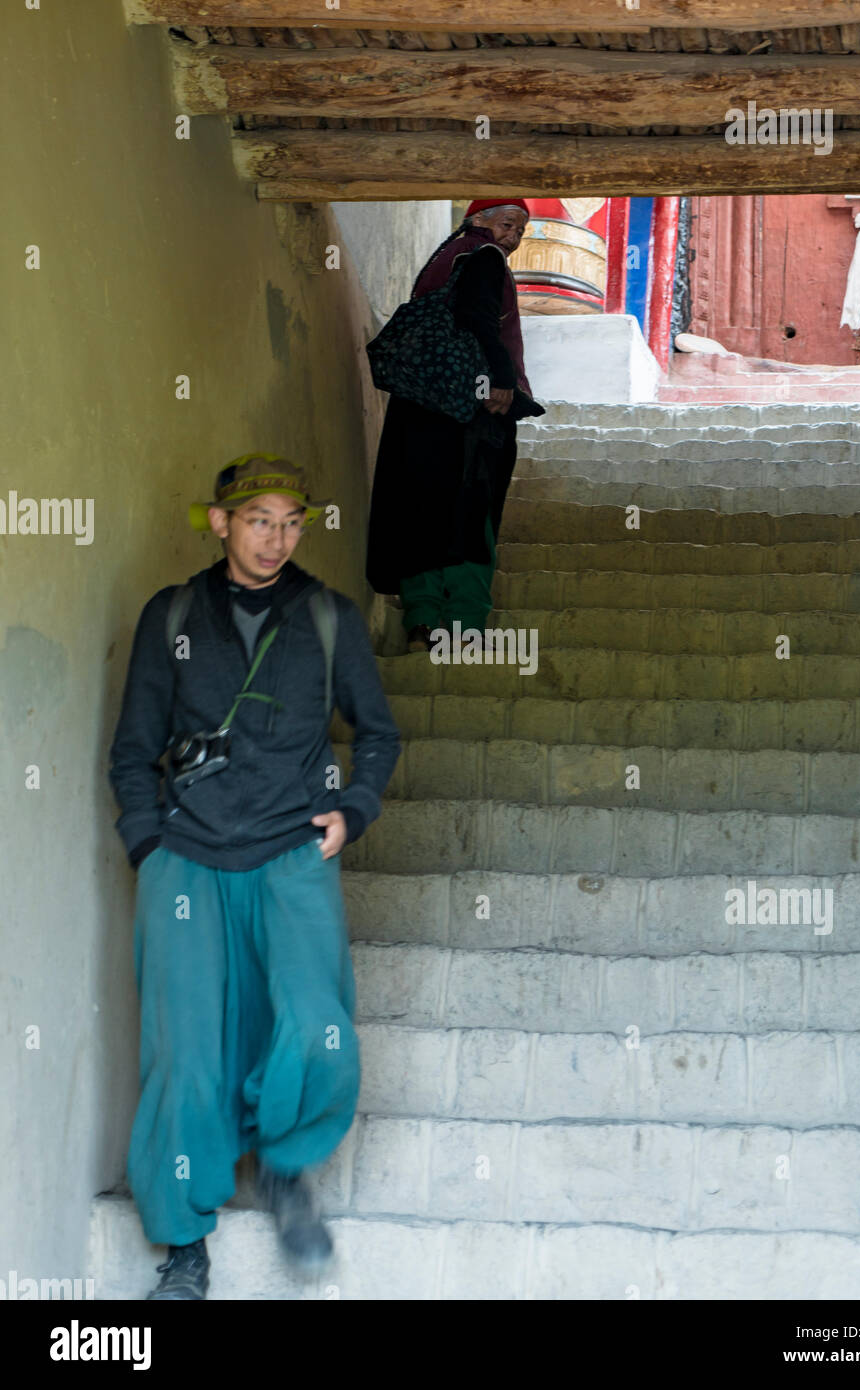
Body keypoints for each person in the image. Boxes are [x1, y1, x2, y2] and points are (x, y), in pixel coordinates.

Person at [108, 453, 401, 1300]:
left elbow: (377, 733)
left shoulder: (328, 618)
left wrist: (356, 808)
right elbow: (132, 753)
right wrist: (146, 846)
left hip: (290, 850)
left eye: (291, 522)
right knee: (186, 1053)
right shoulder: (171, 618)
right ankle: (182, 1248)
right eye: (258, 520)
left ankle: (284, 1169)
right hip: (186, 858)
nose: (276, 539)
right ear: (220, 523)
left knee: (315, 1023)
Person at [365, 198, 545, 652]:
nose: (514, 237)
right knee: (472, 507)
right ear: (478, 221)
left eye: (520, 230)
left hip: (422, 402)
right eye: (508, 224)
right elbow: (478, 316)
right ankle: (465, 623)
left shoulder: (443, 260)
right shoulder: (483, 256)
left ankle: (423, 619)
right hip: (471, 405)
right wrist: (502, 380)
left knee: (420, 505)